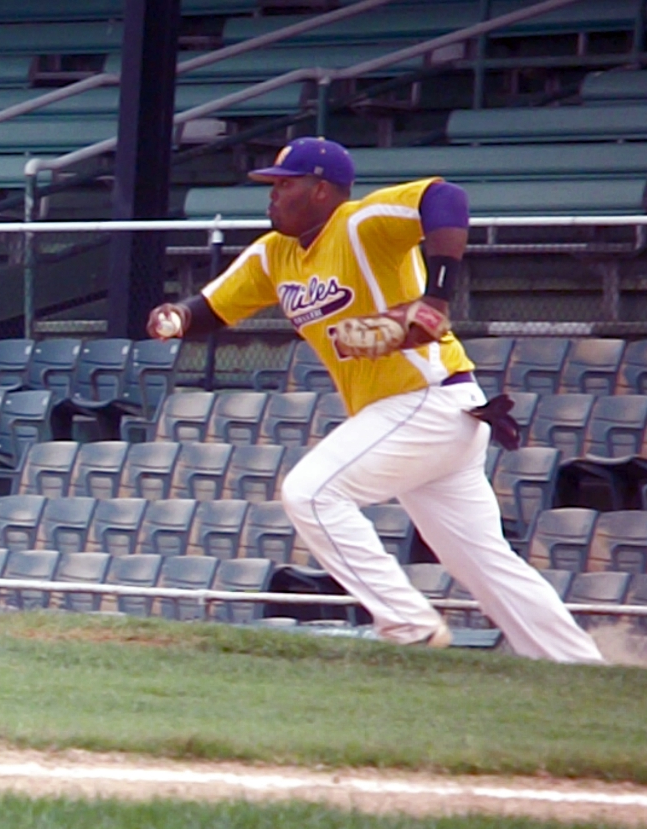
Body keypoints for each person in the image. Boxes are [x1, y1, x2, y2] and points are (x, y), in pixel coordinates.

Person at [147, 136, 603, 663]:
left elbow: (446, 197)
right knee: (482, 562)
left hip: (427, 400)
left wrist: (437, 295)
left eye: (284, 184)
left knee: (311, 493)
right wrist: (176, 317)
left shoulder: (360, 224)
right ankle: (579, 665)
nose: (271, 196)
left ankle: (407, 622)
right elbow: (211, 307)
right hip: (430, 417)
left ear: (321, 191)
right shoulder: (274, 257)